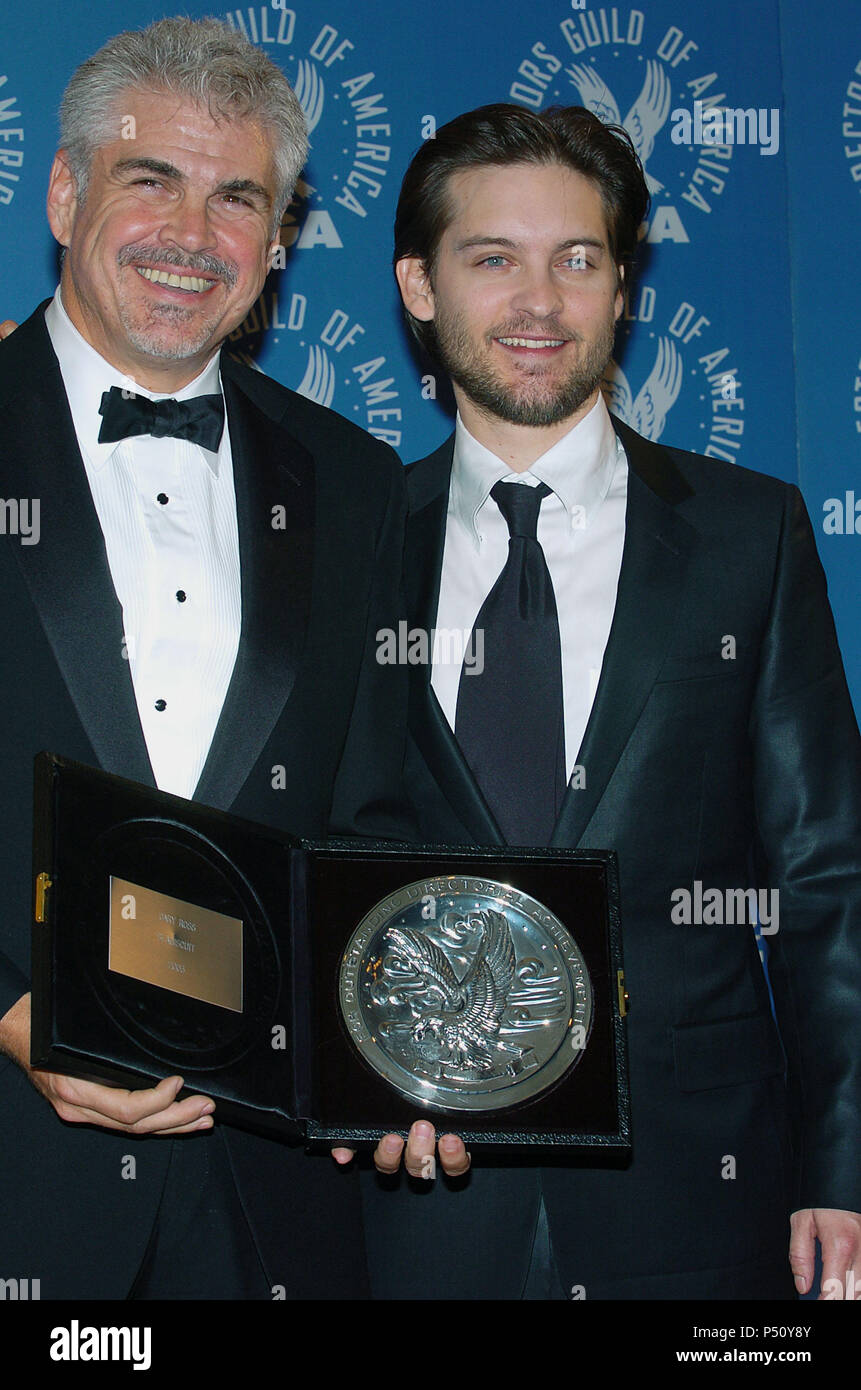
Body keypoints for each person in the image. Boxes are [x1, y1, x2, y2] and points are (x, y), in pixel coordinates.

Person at [353, 104, 861, 1300]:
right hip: (408, 1195)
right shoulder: (344, 539)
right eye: (493, 259)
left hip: (698, 1190)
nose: (541, 303)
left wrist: (842, 1164)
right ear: (418, 287)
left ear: (623, 286)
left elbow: (827, 877)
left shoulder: (750, 535)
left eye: (579, 259)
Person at [0, 17, 408, 1299]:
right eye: (150, 180)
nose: (193, 234)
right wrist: (11, 1015)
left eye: (239, 197)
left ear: (279, 243)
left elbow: (378, 809)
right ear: (65, 194)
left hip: (272, 1197)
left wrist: (398, 1052)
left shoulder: (353, 482)